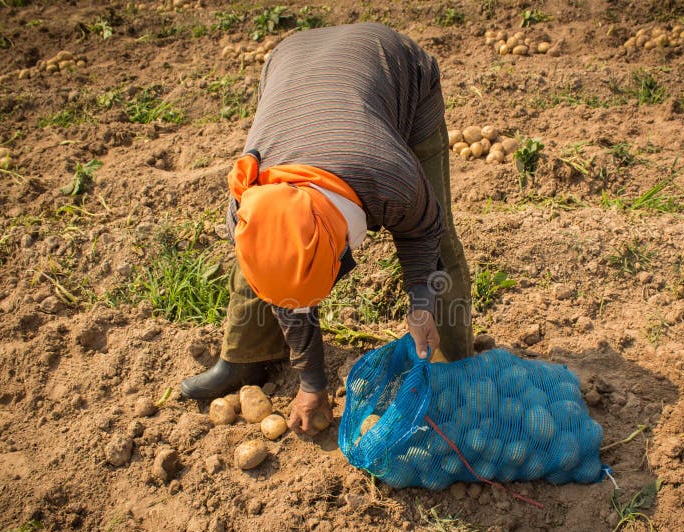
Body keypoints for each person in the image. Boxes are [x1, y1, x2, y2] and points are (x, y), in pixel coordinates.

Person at [180, 22, 473, 434]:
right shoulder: (243, 201)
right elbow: (285, 287)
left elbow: (421, 231)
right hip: (292, 63)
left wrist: (421, 304)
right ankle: (246, 355)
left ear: (344, 250)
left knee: (438, 239)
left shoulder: (392, 179)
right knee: (264, 258)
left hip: (391, 63)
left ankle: (450, 375)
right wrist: (311, 381)